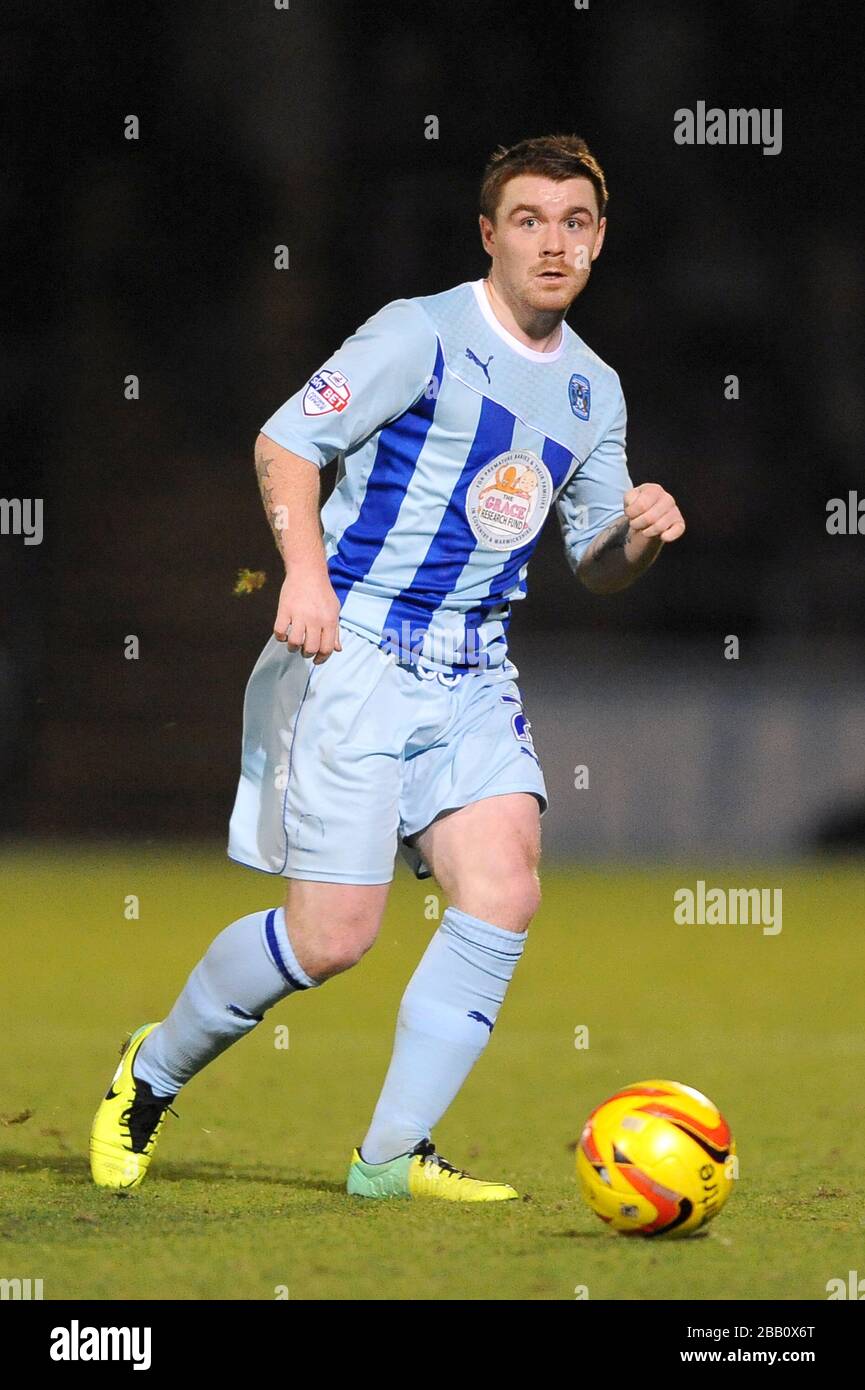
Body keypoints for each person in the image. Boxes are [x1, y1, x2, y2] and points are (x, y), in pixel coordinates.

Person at [90, 133, 685, 1201]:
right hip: (356, 647)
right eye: (528, 220)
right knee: (332, 939)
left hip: (473, 668)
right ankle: (151, 1071)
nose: (553, 242)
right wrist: (302, 577)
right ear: (488, 235)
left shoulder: (594, 390)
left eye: (575, 222)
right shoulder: (420, 334)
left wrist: (637, 534)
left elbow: (595, 566)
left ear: (599, 238)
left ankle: (388, 1157)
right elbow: (285, 445)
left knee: (504, 887)